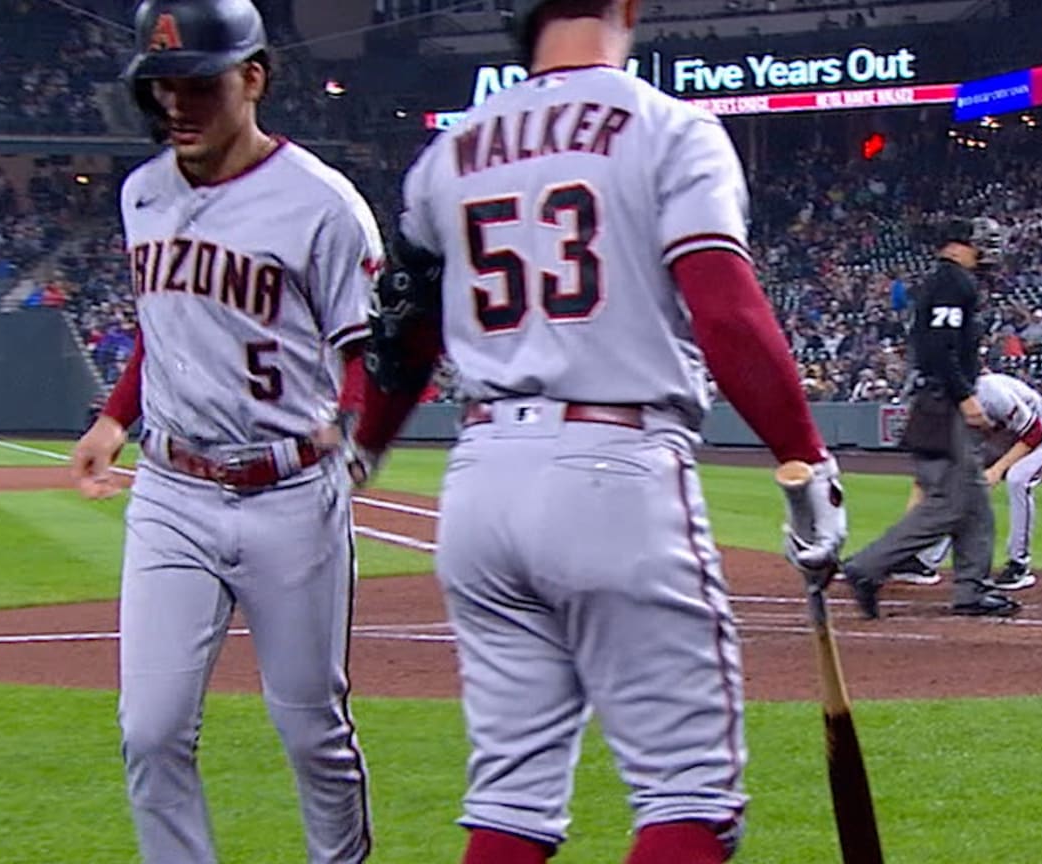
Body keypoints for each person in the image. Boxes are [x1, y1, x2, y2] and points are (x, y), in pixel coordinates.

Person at [347, 1, 847, 861]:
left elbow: (404, 337)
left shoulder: (448, 154)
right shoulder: (669, 129)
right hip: (615, 463)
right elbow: (725, 312)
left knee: (509, 804)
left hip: (480, 478)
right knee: (691, 799)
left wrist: (361, 449)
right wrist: (802, 455)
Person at [69, 2, 377, 860]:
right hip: (171, 490)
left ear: (252, 77)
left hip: (288, 493)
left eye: (197, 83)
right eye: (161, 86)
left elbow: (366, 348)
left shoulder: (323, 205)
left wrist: (349, 431)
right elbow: (164, 324)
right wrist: (114, 417)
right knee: (151, 730)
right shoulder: (141, 192)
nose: (176, 103)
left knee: (312, 731)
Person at [841, 218, 1021, 619]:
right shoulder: (952, 282)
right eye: (977, 243)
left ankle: (972, 591)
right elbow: (939, 347)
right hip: (944, 404)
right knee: (949, 503)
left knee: (974, 503)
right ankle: (867, 567)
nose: (984, 250)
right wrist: (965, 397)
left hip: (940, 399)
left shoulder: (948, 281)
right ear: (955, 246)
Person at [897, 370, 1042, 588]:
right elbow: (924, 480)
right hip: (1004, 438)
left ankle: (1019, 565)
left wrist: (997, 469)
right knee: (960, 487)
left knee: (1018, 480)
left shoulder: (991, 393)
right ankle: (923, 562)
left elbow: (1034, 434)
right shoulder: (942, 413)